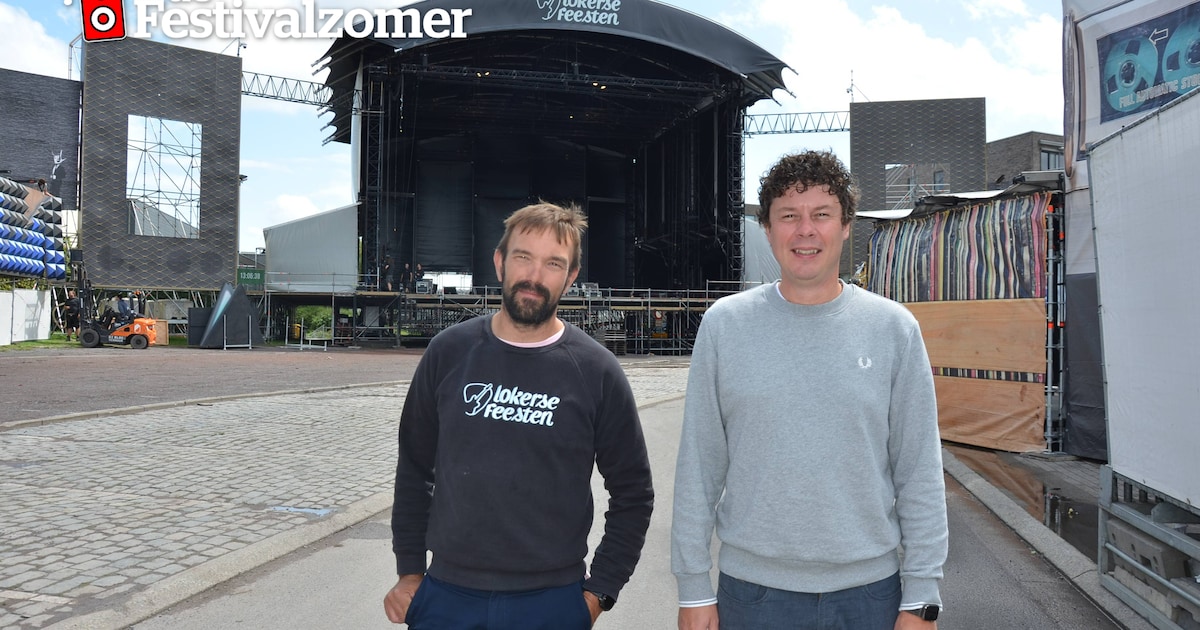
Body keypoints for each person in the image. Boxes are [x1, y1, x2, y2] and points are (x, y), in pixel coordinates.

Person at [671, 150, 948, 630]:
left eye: (821, 214)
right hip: (751, 596)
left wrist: (922, 595)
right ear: (767, 229)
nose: (805, 231)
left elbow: (918, 469)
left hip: (870, 597)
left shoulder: (893, 330)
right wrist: (694, 587)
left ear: (845, 226)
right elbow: (699, 466)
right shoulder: (724, 327)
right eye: (789, 216)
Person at [383, 202, 654, 629]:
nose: (534, 276)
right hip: (447, 596)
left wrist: (600, 592)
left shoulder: (597, 371)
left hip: (551, 602)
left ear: (570, 278)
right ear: (499, 262)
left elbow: (634, 493)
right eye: (523, 257)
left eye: (553, 264)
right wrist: (410, 573)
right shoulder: (448, 352)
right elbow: (415, 468)